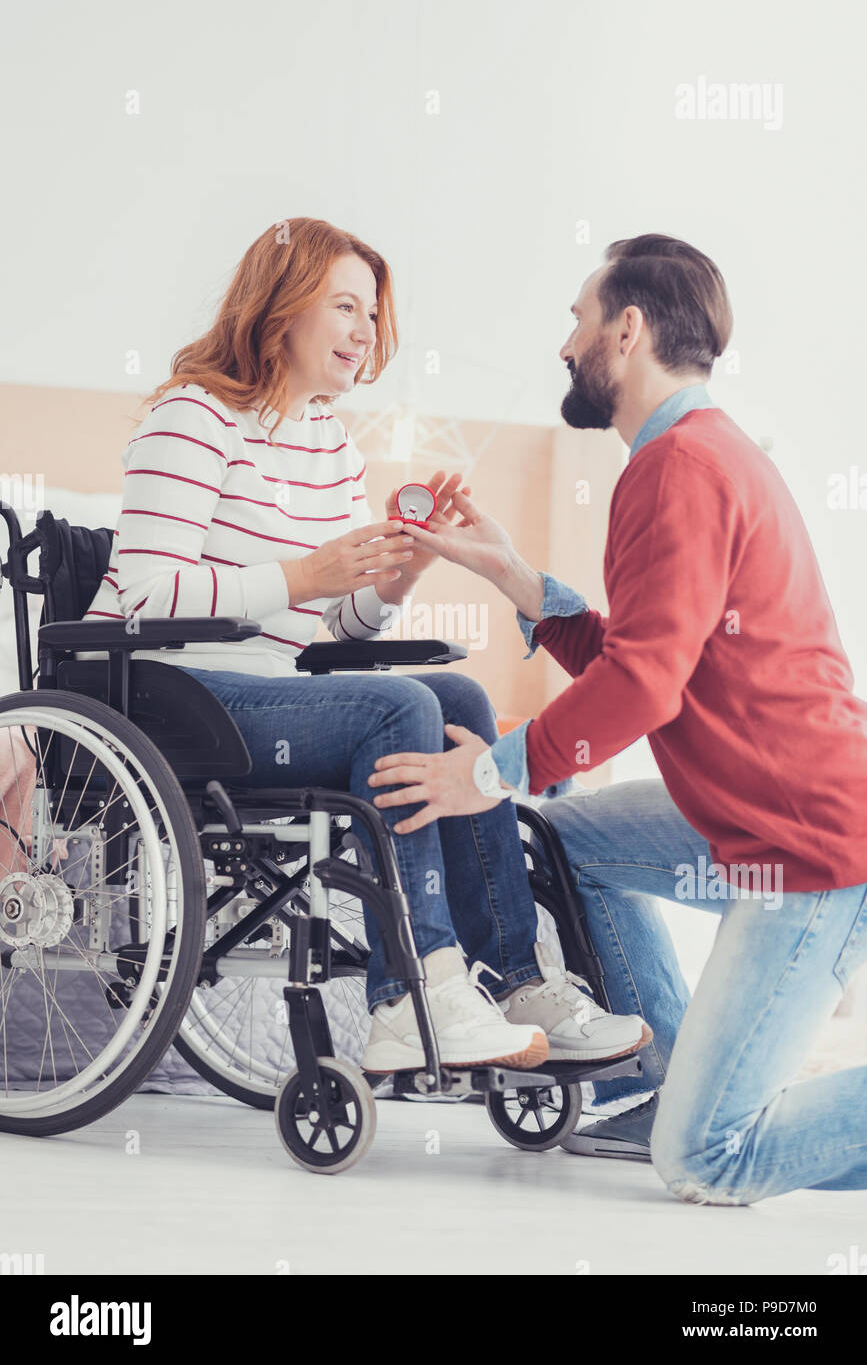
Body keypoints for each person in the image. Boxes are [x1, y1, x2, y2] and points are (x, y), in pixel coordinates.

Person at [80, 216, 651, 1075]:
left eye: (372, 313)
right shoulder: (191, 417)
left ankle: (514, 977)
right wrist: (305, 575)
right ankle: (411, 992)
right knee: (401, 706)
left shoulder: (329, 446)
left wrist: (397, 575)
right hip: (167, 690)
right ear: (282, 309)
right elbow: (145, 597)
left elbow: (330, 633)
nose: (365, 331)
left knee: (455, 701)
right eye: (345, 306)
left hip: (268, 686)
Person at [370, 232, 867, 1204]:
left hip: (808, 842)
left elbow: (642, 689)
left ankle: (692, 1116)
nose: (566, 342)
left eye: (577, 318)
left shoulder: (678, 466)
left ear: (626, 328)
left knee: (707, 1158)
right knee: (568, 840)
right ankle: (673, 1073)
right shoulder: (700, 453)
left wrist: (485, 771)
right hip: (771, 817)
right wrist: (513, 576)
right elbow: (647, 660)